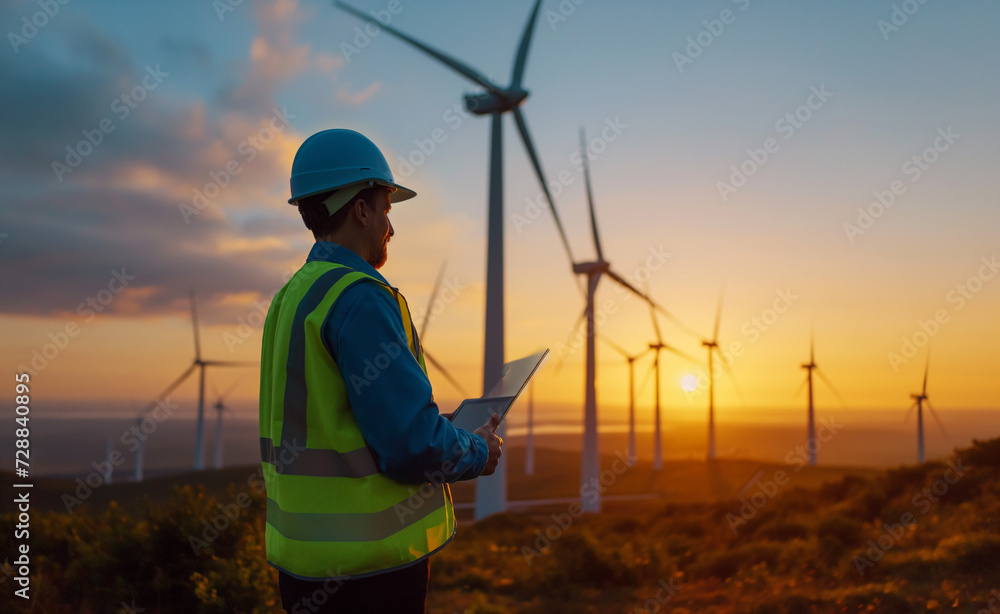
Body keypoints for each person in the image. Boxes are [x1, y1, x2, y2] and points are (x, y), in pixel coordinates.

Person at [259, 129, 503, 614]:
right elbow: (409, 444)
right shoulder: (360, 297)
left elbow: (344, 421)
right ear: (361, 210)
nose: (391, 228)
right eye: (386, 208)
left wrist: (439, 426)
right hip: (369, 573)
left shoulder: (292, 297)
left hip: (303, 569)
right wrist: (479, 451)